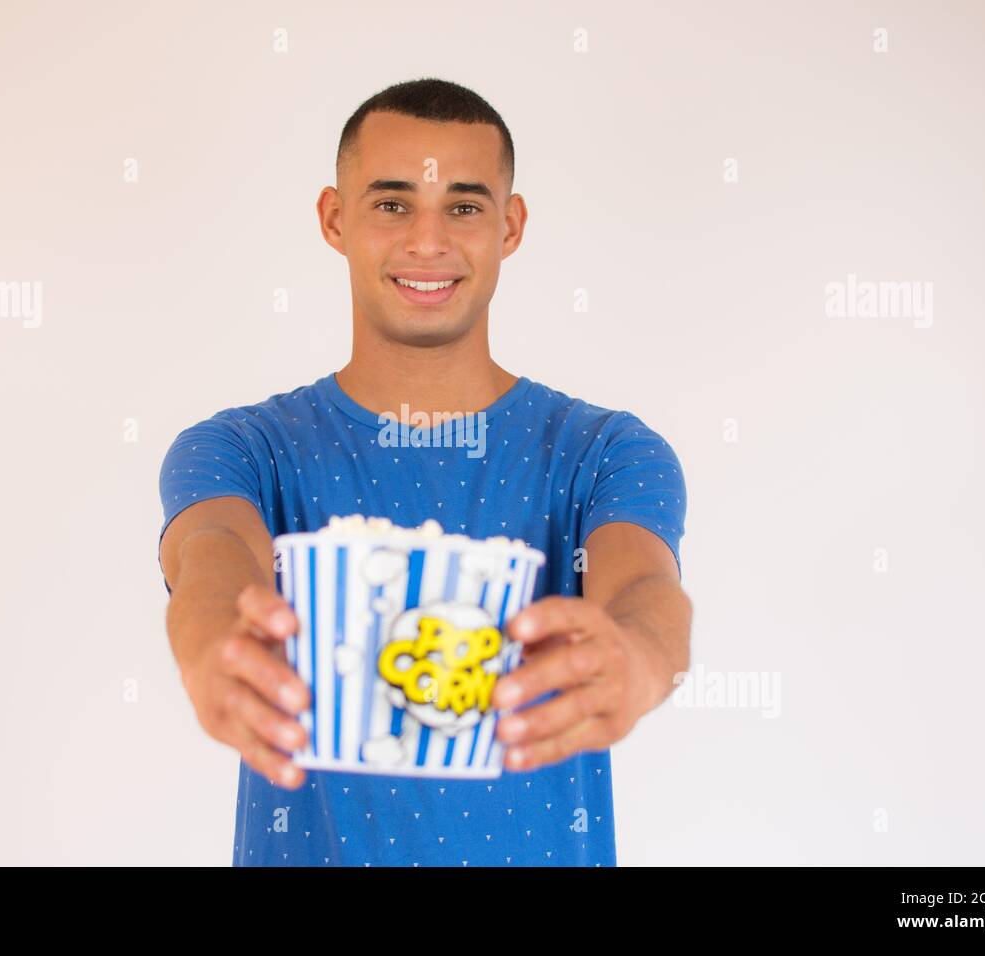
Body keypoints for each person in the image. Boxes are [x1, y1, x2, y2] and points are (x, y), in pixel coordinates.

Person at [157, 77, 692, 866]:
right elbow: (212, 552)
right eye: (392, 204)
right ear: (335, 219)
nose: (428, 242)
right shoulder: (240, 449)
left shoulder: (607, 451)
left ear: (510, 225)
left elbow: (645, 586)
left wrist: (640, 659)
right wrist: (210, 641)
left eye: (464, 207)